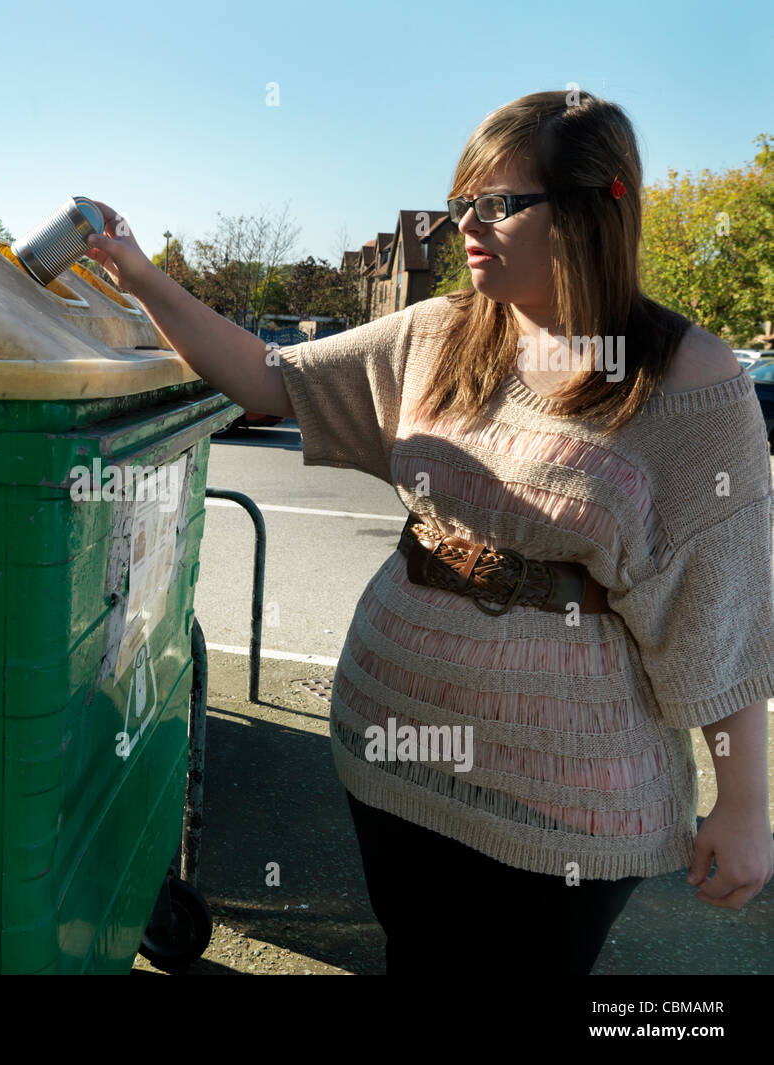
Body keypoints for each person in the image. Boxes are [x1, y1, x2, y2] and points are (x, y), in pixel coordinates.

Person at [84, 89, 774, 976]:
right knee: (416, 954)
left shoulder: (685, 377)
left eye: (497, 204)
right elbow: (266, 378)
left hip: (569, 799)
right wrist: (137, 271)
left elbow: (725, 609)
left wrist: (743, 802)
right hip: (394, 750)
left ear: (593, 206)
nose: (467, 227)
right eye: (461, 205)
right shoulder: (440, 333)